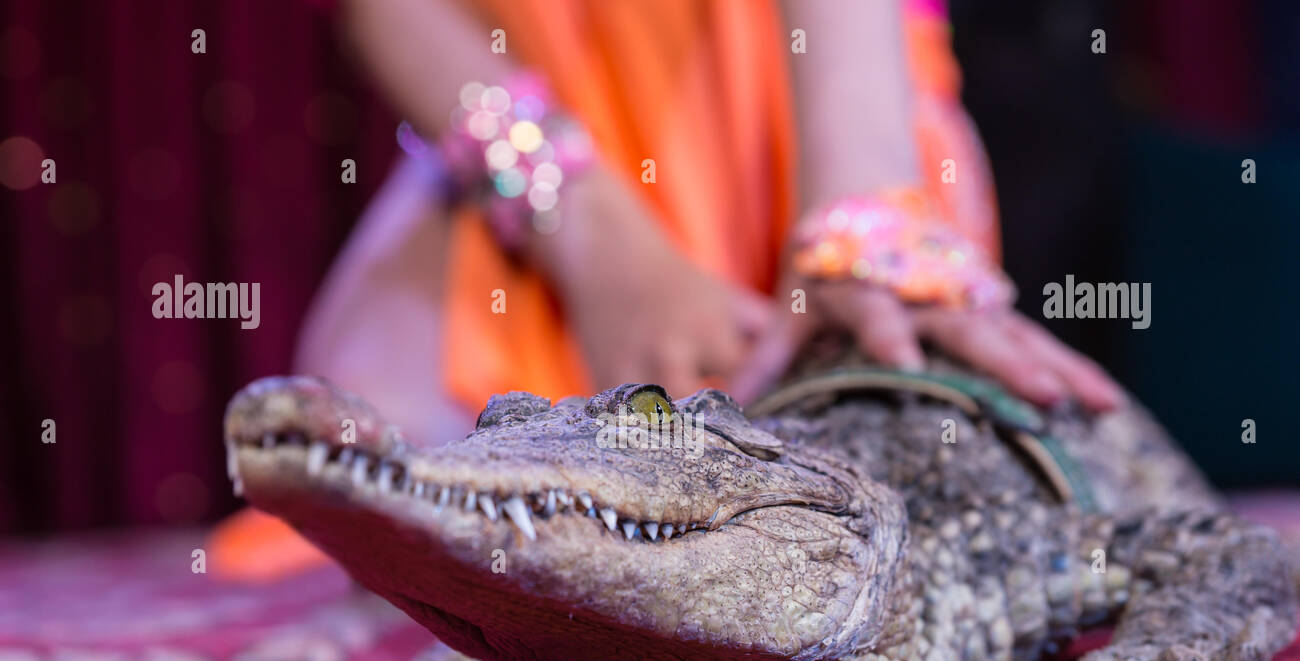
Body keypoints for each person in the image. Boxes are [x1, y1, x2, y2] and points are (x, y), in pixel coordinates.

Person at [213, 0, 1121, 576]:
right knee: (357, 471)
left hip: (820, 91)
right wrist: (588, 230)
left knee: (902, 474)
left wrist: (857, 208)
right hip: (538, 116)